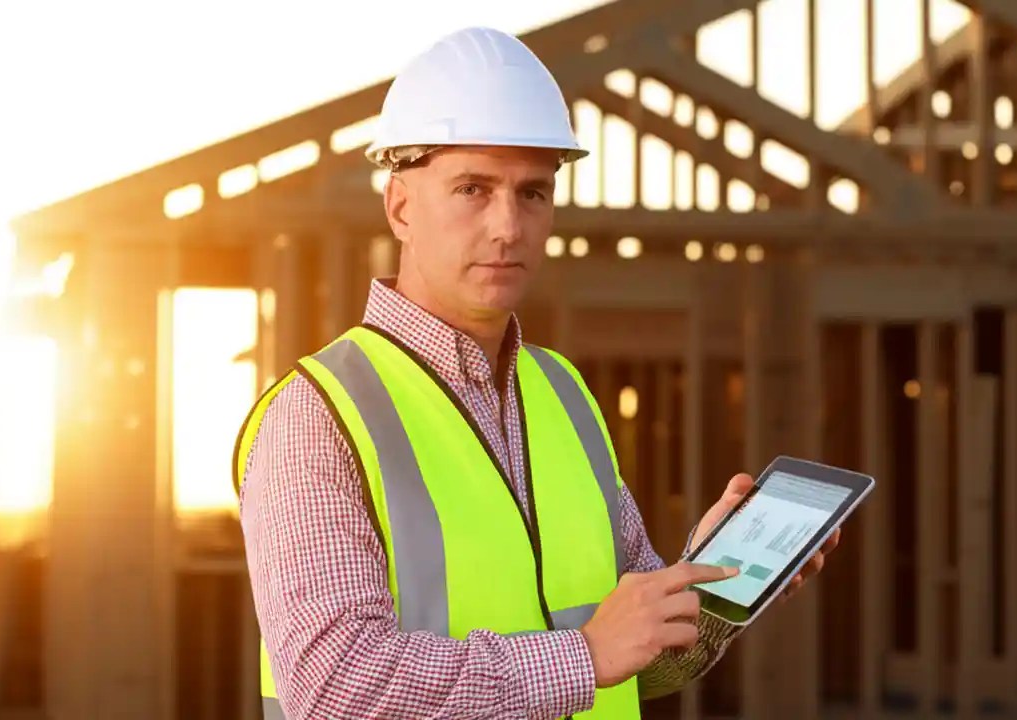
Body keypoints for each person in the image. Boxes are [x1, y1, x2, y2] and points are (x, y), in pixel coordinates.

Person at [235, 26, 840, 720]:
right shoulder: (317, 415)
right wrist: (583, 657)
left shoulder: (563, 395)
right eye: (472, 188)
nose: (508, 226)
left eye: (532, 193)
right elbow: (335, 686)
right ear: (400, 207)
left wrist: (718, 582)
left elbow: (641, 662)